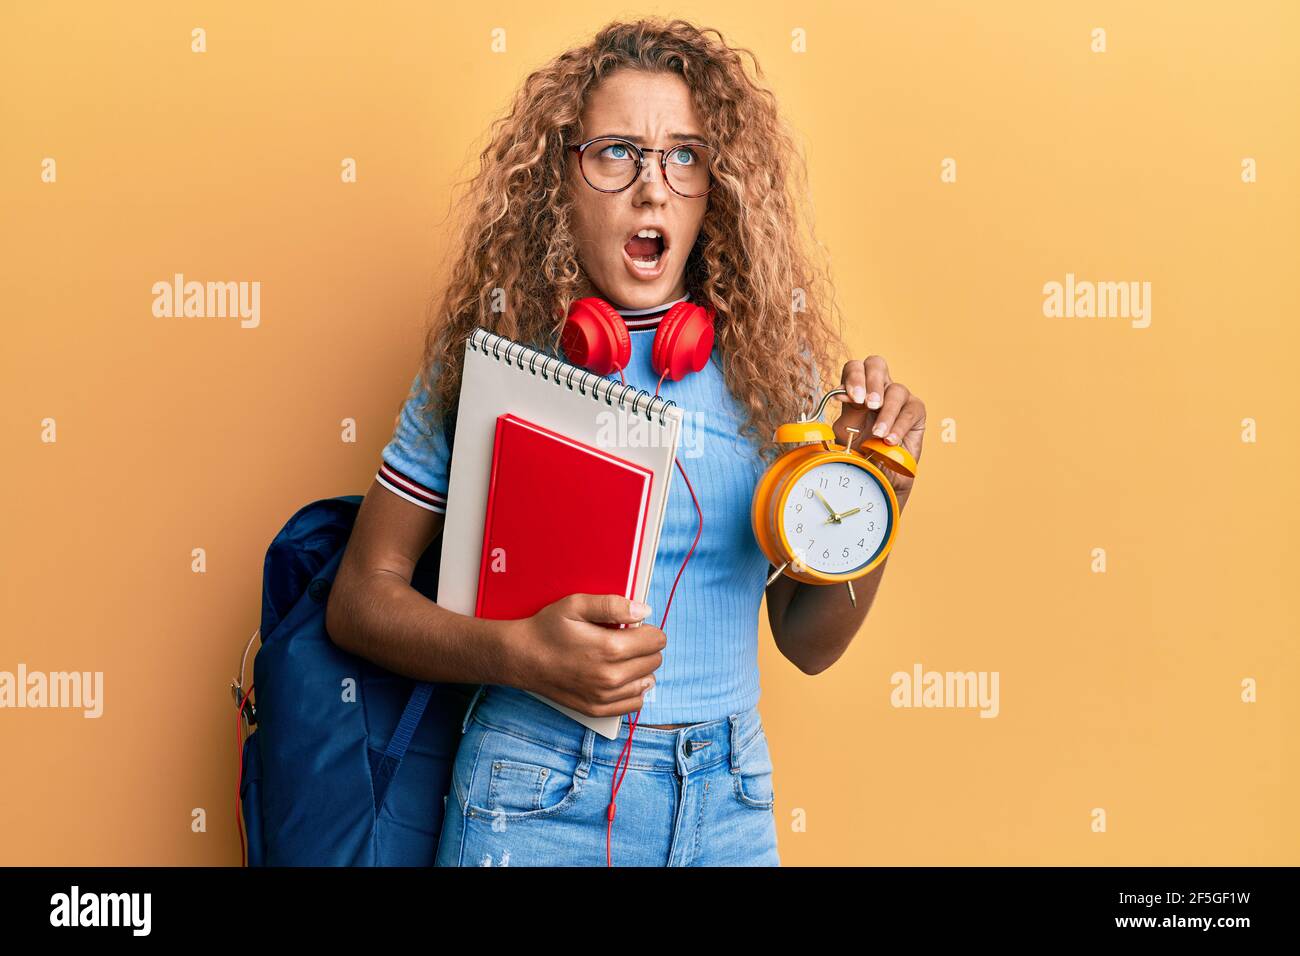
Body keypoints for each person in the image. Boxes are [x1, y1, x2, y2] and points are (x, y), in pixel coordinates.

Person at [325, 17, 926, 867]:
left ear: (716, 186)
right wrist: (518, 654)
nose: (654, 188)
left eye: (684, 155)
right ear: (559, 182)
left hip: (729, 798)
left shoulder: (775, 371)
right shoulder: (492, 357)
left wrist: (876, 494)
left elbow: (807, 642)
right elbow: (359, 600)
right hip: (534, 793)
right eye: (616, 153)